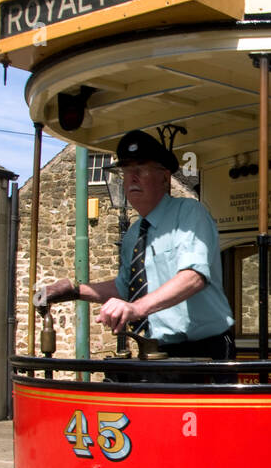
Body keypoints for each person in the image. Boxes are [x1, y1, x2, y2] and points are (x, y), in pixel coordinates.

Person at [41, 130, 235, 364]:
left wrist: (137, 309)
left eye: (139, 169)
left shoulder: (189, 213)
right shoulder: (134, 234)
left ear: (164, 177)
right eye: (125, 172)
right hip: (158, 350)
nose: (131, 178)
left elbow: (194, 277)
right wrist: (74, 290)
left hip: (205, 351)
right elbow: (126, 288)